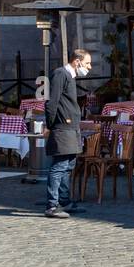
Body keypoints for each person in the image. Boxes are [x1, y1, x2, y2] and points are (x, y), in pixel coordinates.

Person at [44, 49, 91, 219]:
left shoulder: (69, 76)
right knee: (59, 166)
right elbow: (52, 102)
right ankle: (52, 204)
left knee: (68, 166)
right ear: (77, 61)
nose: (89, 67)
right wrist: (51, 125)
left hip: (71, 128)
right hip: (62, 127)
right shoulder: (60, 74)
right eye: (87, 63)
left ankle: (64, 201)